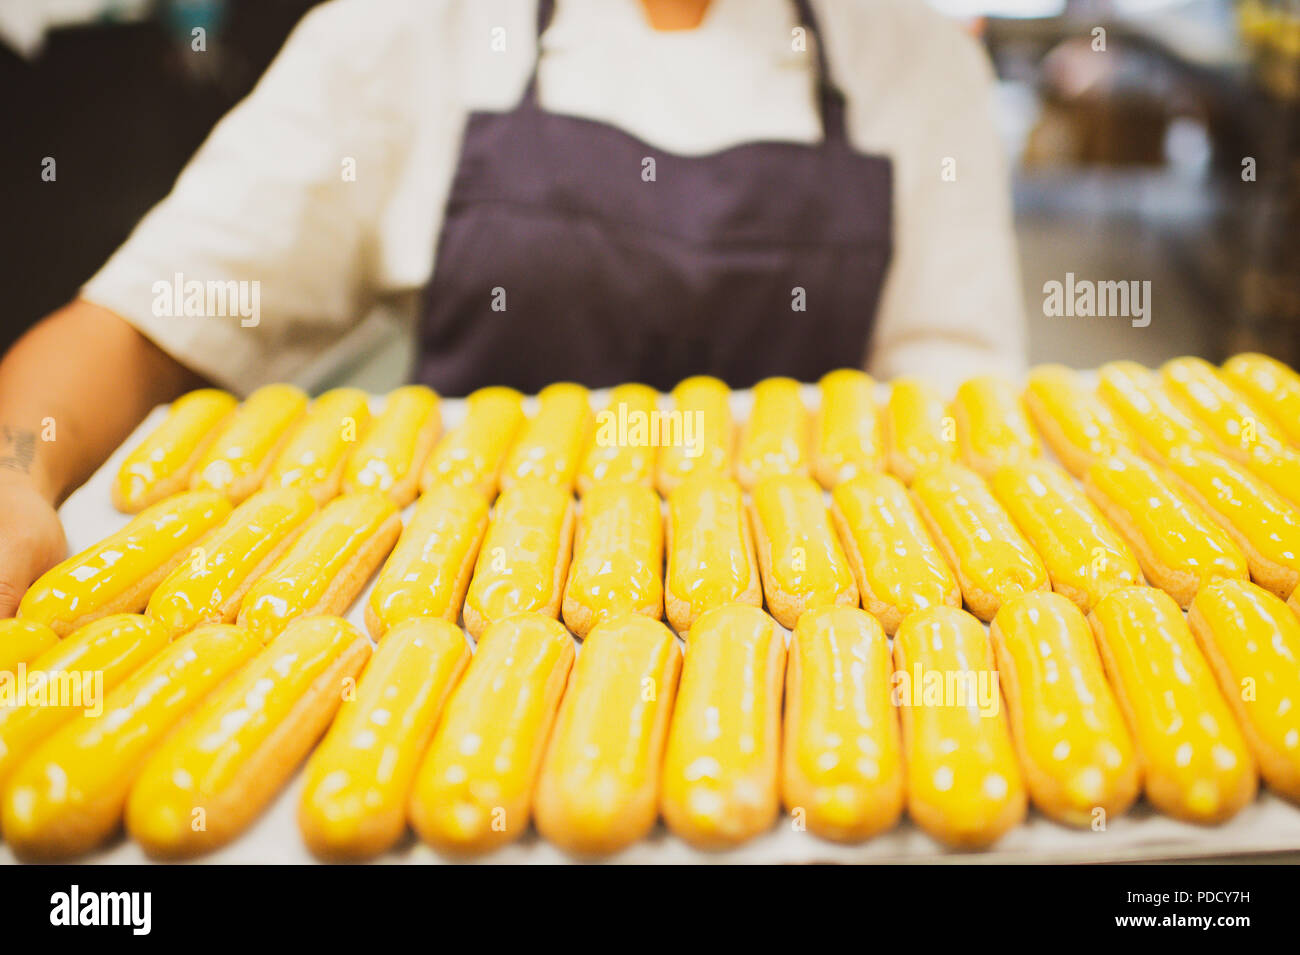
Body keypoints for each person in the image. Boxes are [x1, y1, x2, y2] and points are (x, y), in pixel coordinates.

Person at [0, 0, 1025, 614]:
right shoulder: (410, 29)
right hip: (431, 627)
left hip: (809, 623)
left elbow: (955, 412)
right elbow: (141, 322)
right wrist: (14, 471)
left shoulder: (912, 56)